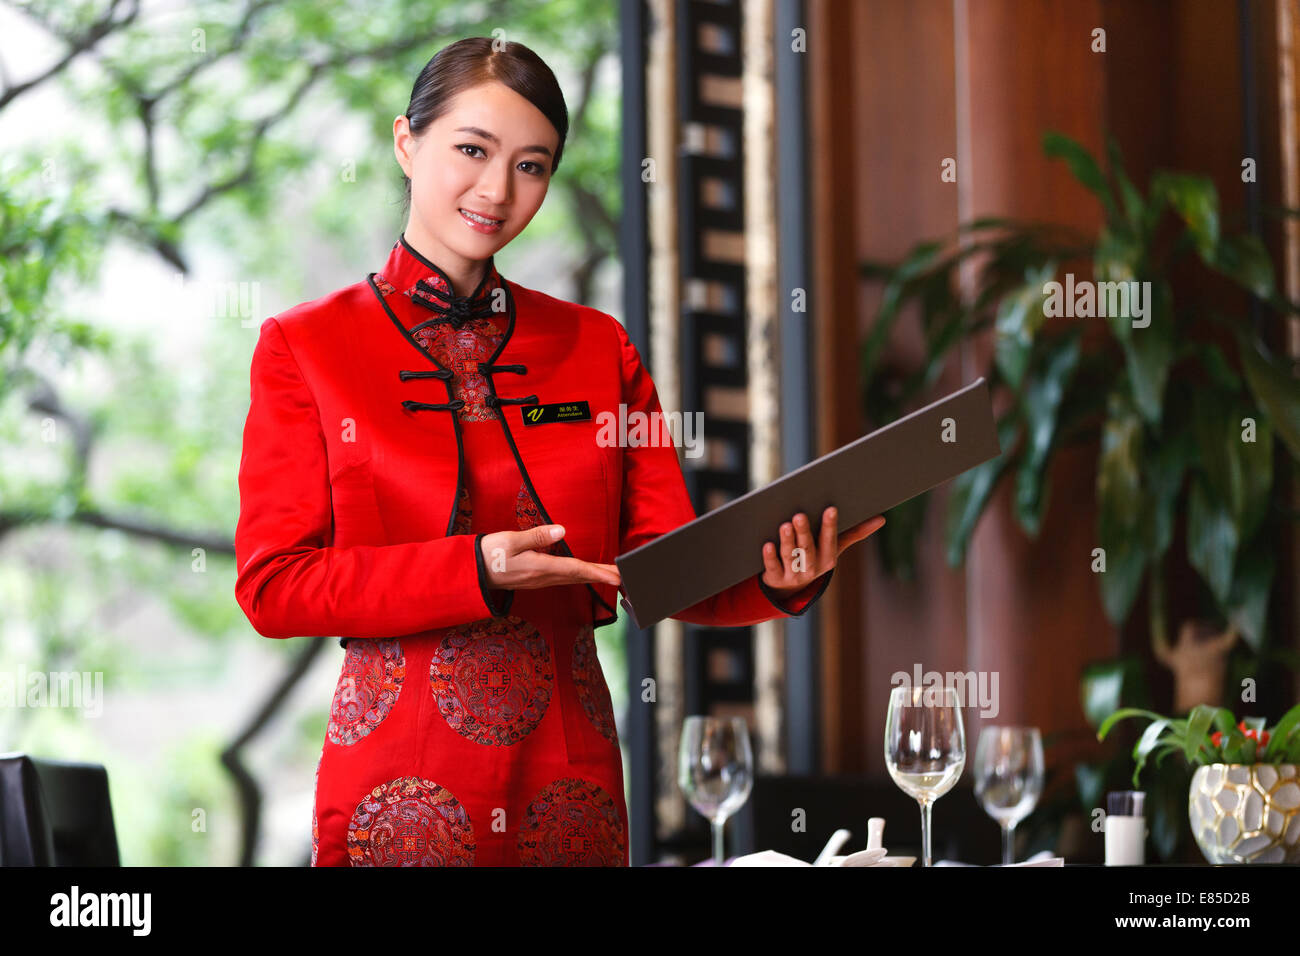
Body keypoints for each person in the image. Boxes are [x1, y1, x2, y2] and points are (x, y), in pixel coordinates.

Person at [233, 36, 885, 867]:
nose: (497, 190)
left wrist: (778, 579)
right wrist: (476, 568)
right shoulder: (307, 346)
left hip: (569, 790)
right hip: (398, 796)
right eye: (472, 150)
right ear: (406, 142)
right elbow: (273, 585)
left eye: (532, 165)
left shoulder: (596, 345)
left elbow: (661, 564)